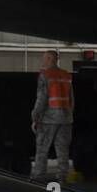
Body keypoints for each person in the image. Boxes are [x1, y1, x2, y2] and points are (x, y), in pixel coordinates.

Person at [30, 50, 74, 180]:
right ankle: (62, 177)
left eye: (44, 58)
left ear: (49, 59)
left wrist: (35, 117)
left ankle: (38, 176)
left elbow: (41, 99)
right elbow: (72, 99)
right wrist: (69, 115)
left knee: (42, 149)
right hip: (66, 119)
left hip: (48, 119)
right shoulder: (66, 75)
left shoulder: (45, 75)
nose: (43, 61)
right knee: (62, 150)